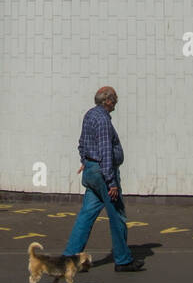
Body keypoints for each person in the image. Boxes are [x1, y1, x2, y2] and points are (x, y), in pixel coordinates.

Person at [62, 86, 145, 272]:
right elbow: (106, 151)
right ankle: (123, 260)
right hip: (103, 173)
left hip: (91, 171)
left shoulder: (90, 115)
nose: (116, 101)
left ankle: (69, 258)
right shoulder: (103, 121)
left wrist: (85, 161)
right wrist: (112, 182)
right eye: (114, 98)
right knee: (117, 216)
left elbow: (81, 143)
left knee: (86, 215)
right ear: (107, 101)